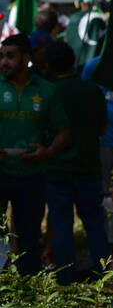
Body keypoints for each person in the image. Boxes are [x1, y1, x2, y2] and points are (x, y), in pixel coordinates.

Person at [0, 34, 70, 273]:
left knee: (28, 234)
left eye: (10, 56)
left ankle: (27, 289)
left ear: (26, 58)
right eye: (1, 56)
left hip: (33, 174)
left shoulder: (47, 90)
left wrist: (48, 151)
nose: (4, 62)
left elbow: (63, 131)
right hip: (0, 172)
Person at [43, 40, 110, 283]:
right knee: (94, 224)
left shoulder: (48, 91)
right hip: (88, 167)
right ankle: (101, 275)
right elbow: (102, 128)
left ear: (48, 65)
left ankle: (64, 277)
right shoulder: (92, 90)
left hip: (56, 170)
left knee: (62, 225)